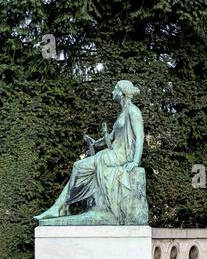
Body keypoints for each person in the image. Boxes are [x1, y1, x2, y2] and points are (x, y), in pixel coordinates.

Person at [34, 80, 145, 224]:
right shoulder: (123, 112)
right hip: (112, 154)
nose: (112, 92)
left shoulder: (133, 111)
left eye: (114, 89)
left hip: (120, 156)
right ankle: (60, 207)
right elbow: (110, 137)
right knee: (79, 166)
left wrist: (135, 162)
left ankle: (61, 208)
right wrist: (94, 142)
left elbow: (140, 136)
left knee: (78, 166)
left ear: (121, 93)